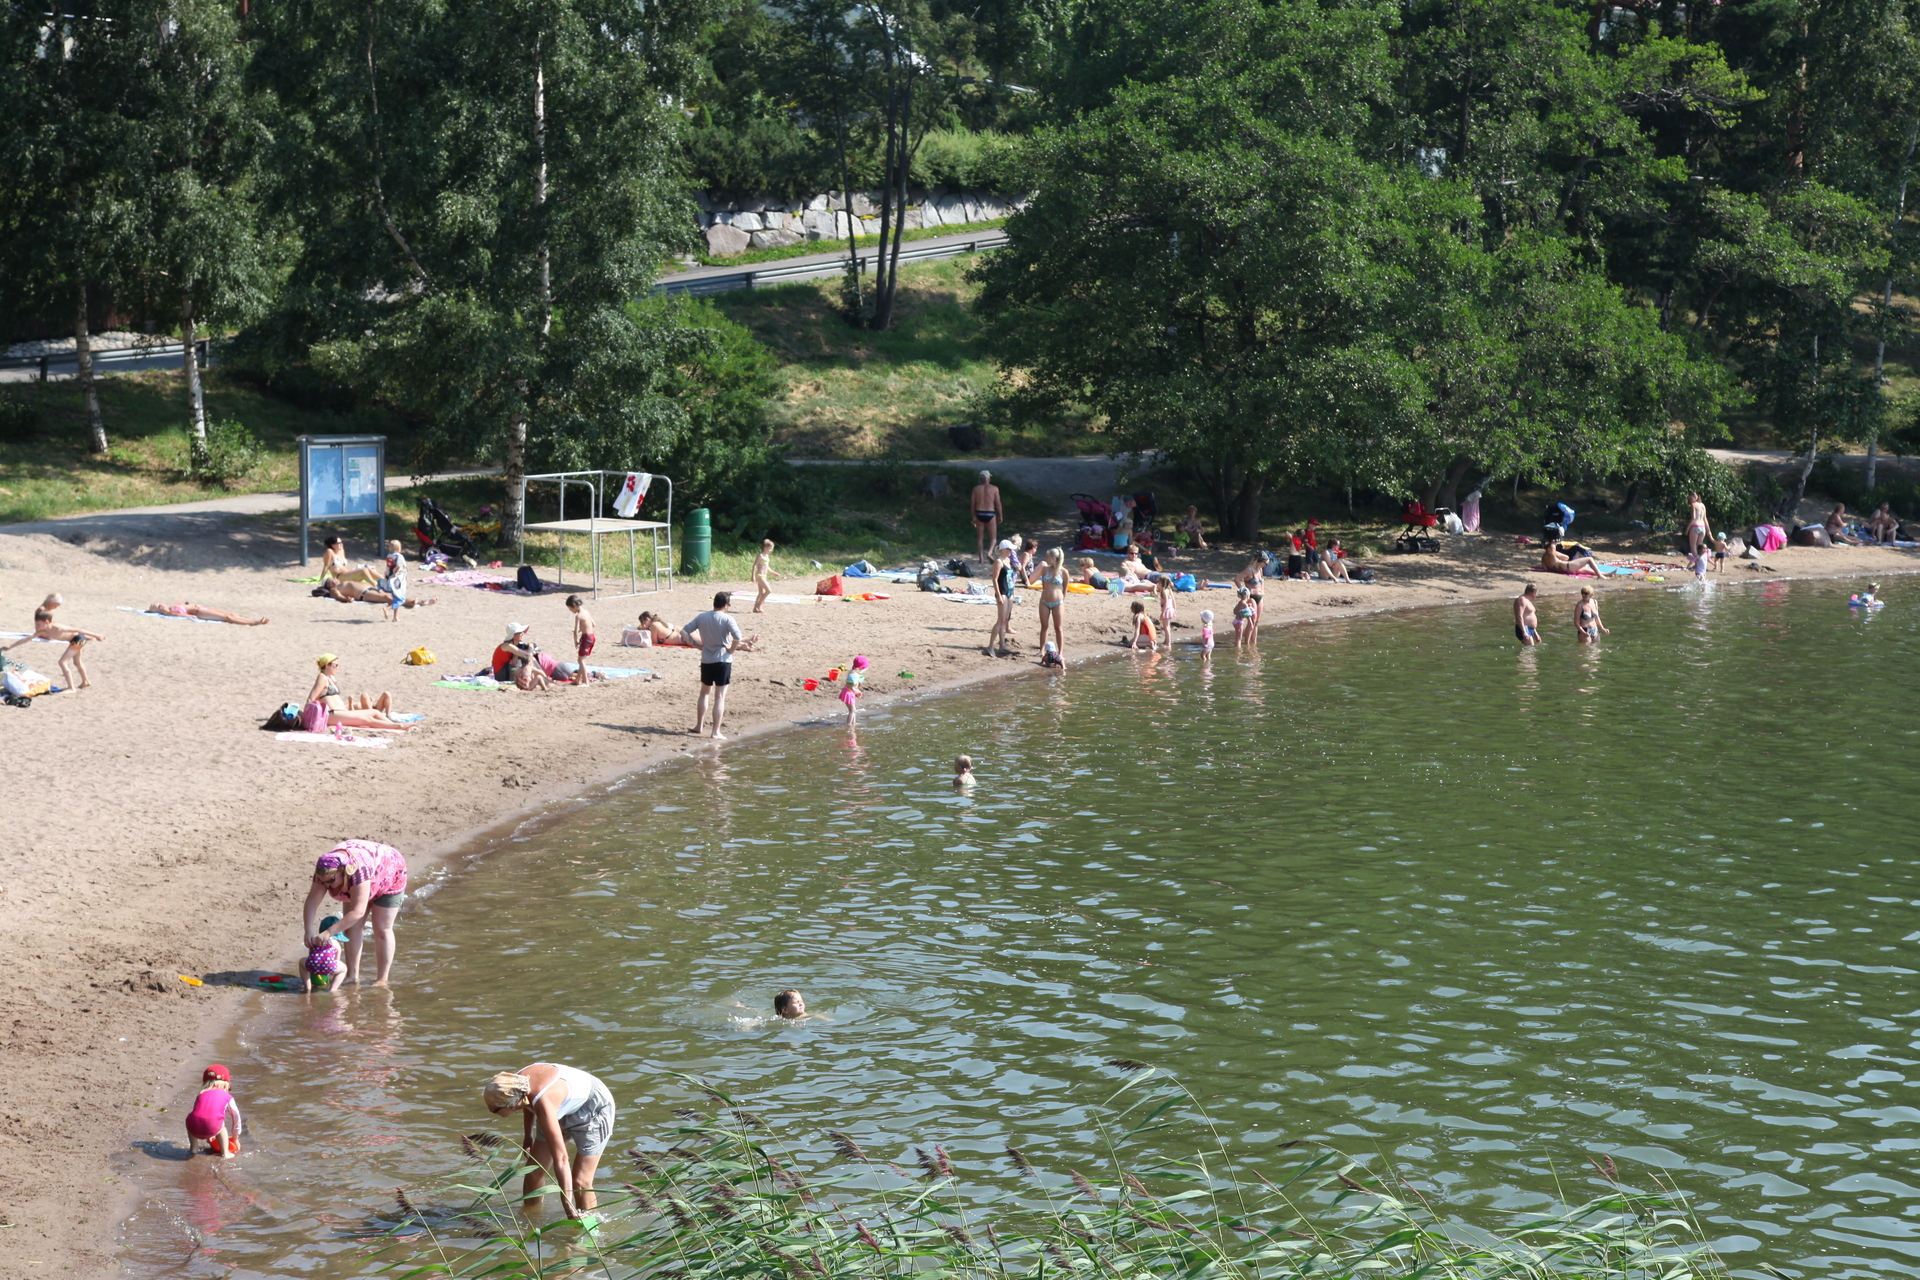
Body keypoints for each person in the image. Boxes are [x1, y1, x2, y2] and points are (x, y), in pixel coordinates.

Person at [483, 1064, 615, 1220]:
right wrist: (528, 1136)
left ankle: (588, 1226)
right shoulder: (514, 1083)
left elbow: (562, 1159)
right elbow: (527, 1103)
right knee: (533, 1171)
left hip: (592, 1107)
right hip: (558, 1106)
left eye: (493, 1110)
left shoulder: (541, 1102)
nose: (491, 1112)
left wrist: (568, 1207)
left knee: (580, 1181)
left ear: (510, 1105)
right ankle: (531, 1219)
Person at [301, 839, 408, 986]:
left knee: (382, 928)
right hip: (358, 876)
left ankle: (382, 979)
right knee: (351, 928)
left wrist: (328, 933)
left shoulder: (358, 871)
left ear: (342, 872)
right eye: (323, 882)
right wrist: (308, 931)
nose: (326, 886)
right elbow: (312, 901)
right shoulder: (324, 871)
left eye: (331, 881)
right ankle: (352, 976)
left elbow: (358, 912)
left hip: (389, 871)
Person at [686, 590, 747, 740]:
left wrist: (696, 644)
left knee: (704, 693)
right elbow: (737, 636)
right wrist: (731, 650)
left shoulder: (702, 617)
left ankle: (699, 725)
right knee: (719, 696)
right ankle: (715, 731)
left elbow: (684, 631)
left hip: (706, 659)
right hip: (723, 660)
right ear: (726, 605)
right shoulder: (727, 618)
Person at [307, 654, 412, 727]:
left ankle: (394, 725)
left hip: (340, 711)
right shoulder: (322, 677)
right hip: (332, 714)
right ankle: (398, 726)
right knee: (369, 718)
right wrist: (308, 718)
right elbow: (311, 699)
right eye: (335, 665)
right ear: (327, 665)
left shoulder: (331, 678)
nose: (337, 668)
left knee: (373, 713)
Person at [5, 609, 101, 688]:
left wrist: (96, 635)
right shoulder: (43, 631)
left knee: (62, 662)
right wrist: (10, 646)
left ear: (47, 622)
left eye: (39, 624)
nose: (37, 626)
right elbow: (27, 638)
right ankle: (86, 681)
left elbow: (78, 630)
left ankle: (71, 688)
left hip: (78, 639)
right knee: (77, 662)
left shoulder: (58, 628)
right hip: (75, 640)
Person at [184, 1065, 243, 1157]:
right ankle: (225, 1152)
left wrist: (210, 1136)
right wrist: (235, 1138)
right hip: (211, 1126)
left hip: (193, 1127)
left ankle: (194, 1148)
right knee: (221, 1127)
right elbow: (236, 1117)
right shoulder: (227, 1097)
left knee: (192, 1119)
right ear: (226, 1084)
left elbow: (202, 1114)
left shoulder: (201, 1094)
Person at [316, 578, 437, 609]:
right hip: (363, 594)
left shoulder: (340, 584)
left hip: (369, 589)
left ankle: (419, 601)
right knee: (386, 598)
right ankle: (413, 602)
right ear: (328, 585)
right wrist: (346, 599)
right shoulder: (333, 589)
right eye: (330, 579)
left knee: (390, 595)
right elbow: (337, 596)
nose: (334, 578)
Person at [985, 542, 1016, 657]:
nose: (1010, 551)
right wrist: (998, 594)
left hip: (1010, 591)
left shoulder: (1008, 561)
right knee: (1000, 620)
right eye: (1008, 549)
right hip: (1002, 592)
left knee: (1005, 620)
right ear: (1003, 549)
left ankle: (1002, 644)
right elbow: (995, 579)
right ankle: (990, 646)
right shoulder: (999, 561)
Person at [1036, 547, 1066, 660]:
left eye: (1047, 557)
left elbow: (1065, 589)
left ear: (1053, 558)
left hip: (1058, 603)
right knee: (1044, 626)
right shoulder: (1045, 569)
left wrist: (1059, 598)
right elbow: (1044, 585)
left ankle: (1061, 652)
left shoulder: (1064, 572)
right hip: (1044, 601)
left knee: (1058, 627)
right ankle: (1041, 650)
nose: (1046, 559)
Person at [970, 470, 1003, 564]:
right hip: (990, 513)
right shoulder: (994, 488)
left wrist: (973, 517)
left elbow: (973, 505)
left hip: (979, 512)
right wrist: (1000, 515)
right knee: (993, 537)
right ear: (988, 478)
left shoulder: (975, 489)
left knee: (980, 537)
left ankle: (981, 558)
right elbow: (998, 503)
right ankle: (989, 553)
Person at [146, 602, 269, 625]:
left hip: (202, 608)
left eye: (158, 603)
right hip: (200, 612)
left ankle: (250, 620)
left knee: (231, 614)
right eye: (157, 607)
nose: (160, 605)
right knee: (228, 617)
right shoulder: (170, 613)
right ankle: (255, 622)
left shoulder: (173, 605)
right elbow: (191, 616)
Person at [566, 595, 596, 685]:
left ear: (574, 606)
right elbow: (593, 624)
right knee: (582, 659)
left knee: (581, 660)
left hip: (586, 638)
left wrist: (575, 641)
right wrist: (583, 628)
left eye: (570, 609)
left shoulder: (578, 616)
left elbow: (575, 631)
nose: (570, 611)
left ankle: (586, 682)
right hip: (592, 637)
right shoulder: (586, 612)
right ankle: (578, 679)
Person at [377, 542, 408, 622]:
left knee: (395, 597)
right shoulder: (399, 556)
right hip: (396, 581)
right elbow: (401, 566)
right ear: (398, 549)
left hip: (389, 578)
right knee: (400, 598)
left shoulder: (389, 555)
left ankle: (395, 617)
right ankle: (388, 608)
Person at [1536, 542, 1604, 576]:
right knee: (1589, 559)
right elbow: (1566, 557)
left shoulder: (1543, 557)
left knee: (1586, 570)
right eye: (1553, 548)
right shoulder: (1553, 553)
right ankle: (1600, 576)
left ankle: (1607, 574)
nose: (1554, 549)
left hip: (1562, 571)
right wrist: (1560, 559)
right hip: (1568, 566)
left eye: (1554, 548)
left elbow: (1545, 569)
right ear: (1548, 549)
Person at [839, 654, 868, 727]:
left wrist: (857, 690)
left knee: (853, 710)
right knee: (852, 710)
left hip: (850, 693)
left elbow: (853, 686)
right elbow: (850, 685)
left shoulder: (854, 674)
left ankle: (853, 723)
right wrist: (856, 691)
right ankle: (849, 725)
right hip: (848, 693)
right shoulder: (853, 675)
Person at [1154, 574, 1176, 652]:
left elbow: (1166, 602)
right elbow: (1173, 600)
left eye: (1159, 582)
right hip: (1171, 609)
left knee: (1166, 627)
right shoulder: (1169, 590)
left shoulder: (1164, 591)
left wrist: (1163, 612)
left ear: (1162, 583)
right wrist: (1174, 609)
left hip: (1166, 610)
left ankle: (1168, 643)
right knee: (1168, 627)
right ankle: (1166, 641)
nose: (1158, 584)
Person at [752, 539, 775, 613]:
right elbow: (755, 565)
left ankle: (756, 608)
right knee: (768, 590)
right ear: (765, 547)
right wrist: (753, 576)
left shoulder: (767, 556)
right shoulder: (760, 555)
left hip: (764, 576)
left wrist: (773, 573)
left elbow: (766, 567)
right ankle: (758, 605)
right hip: (759, 576)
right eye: (770, 548)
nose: (771, 550)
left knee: (761, 593)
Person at [1686, 492, 1710, 558]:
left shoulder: (1693, 505)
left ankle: (1698, 562)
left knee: (1693, 546)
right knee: (1699, 547)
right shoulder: (1703, 505)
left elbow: (1693, 518)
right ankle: (1699, 562)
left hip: (1695, 526)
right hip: (1703, 527)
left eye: (1691, 498)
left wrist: (1687, 528)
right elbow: (1705, 519)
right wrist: (1708, 530)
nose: (1690, 500)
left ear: (1695, 497)